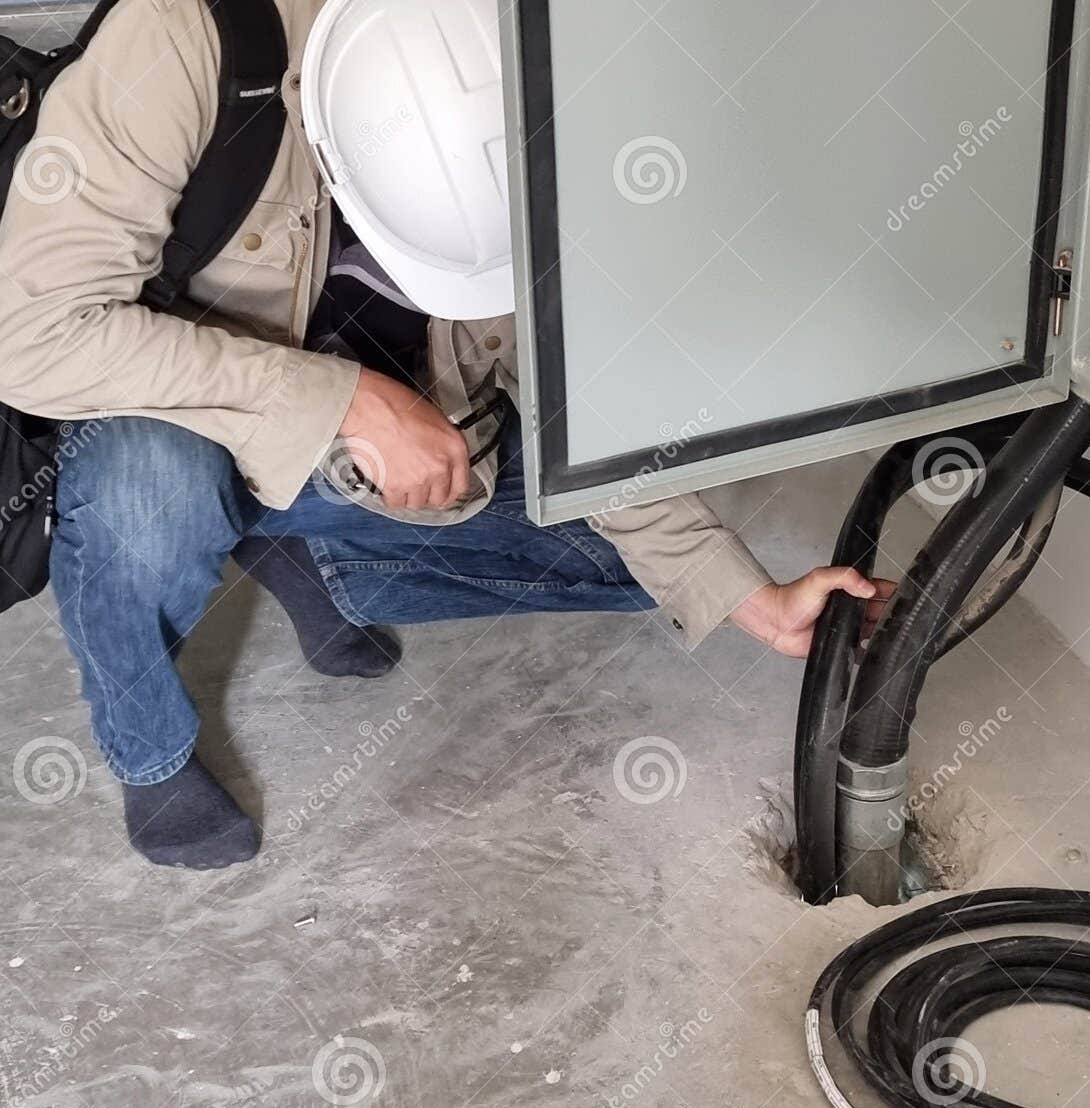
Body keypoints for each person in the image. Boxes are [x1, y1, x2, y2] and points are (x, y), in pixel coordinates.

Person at [0, 0, 890, 871]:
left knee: (637, 570)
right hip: (178, 414)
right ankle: (148, 745)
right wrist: (348, 401)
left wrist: (749, 598)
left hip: (403, 432)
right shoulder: (184, 35)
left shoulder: (542, 55)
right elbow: (30, 338)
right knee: (147, 491)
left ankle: (286, 531)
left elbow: (566, 378)